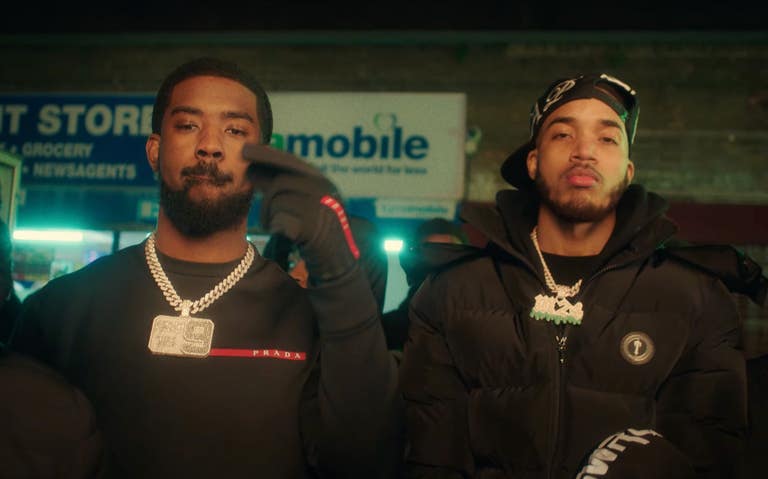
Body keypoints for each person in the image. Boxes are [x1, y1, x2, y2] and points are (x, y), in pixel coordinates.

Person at [10, 57, 403, 478]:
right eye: (188, 125)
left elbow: (365, 460)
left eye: (235, 130)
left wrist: (342, 278)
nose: (210, 145)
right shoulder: (59, 309)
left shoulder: (305, 319)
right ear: (155, 151)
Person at [399, 73, 747, 477]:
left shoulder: (695, 296)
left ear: (628, 170)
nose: (584, 152)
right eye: (563, 135)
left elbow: (709, 456)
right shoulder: (453, 291)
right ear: (533, 161)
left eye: (607, 138)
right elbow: (432, 455)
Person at [381, 217, 468, 351]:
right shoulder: (389, 328)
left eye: (450, 254)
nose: (439, 263)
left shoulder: (484, 324)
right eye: (431, 255)